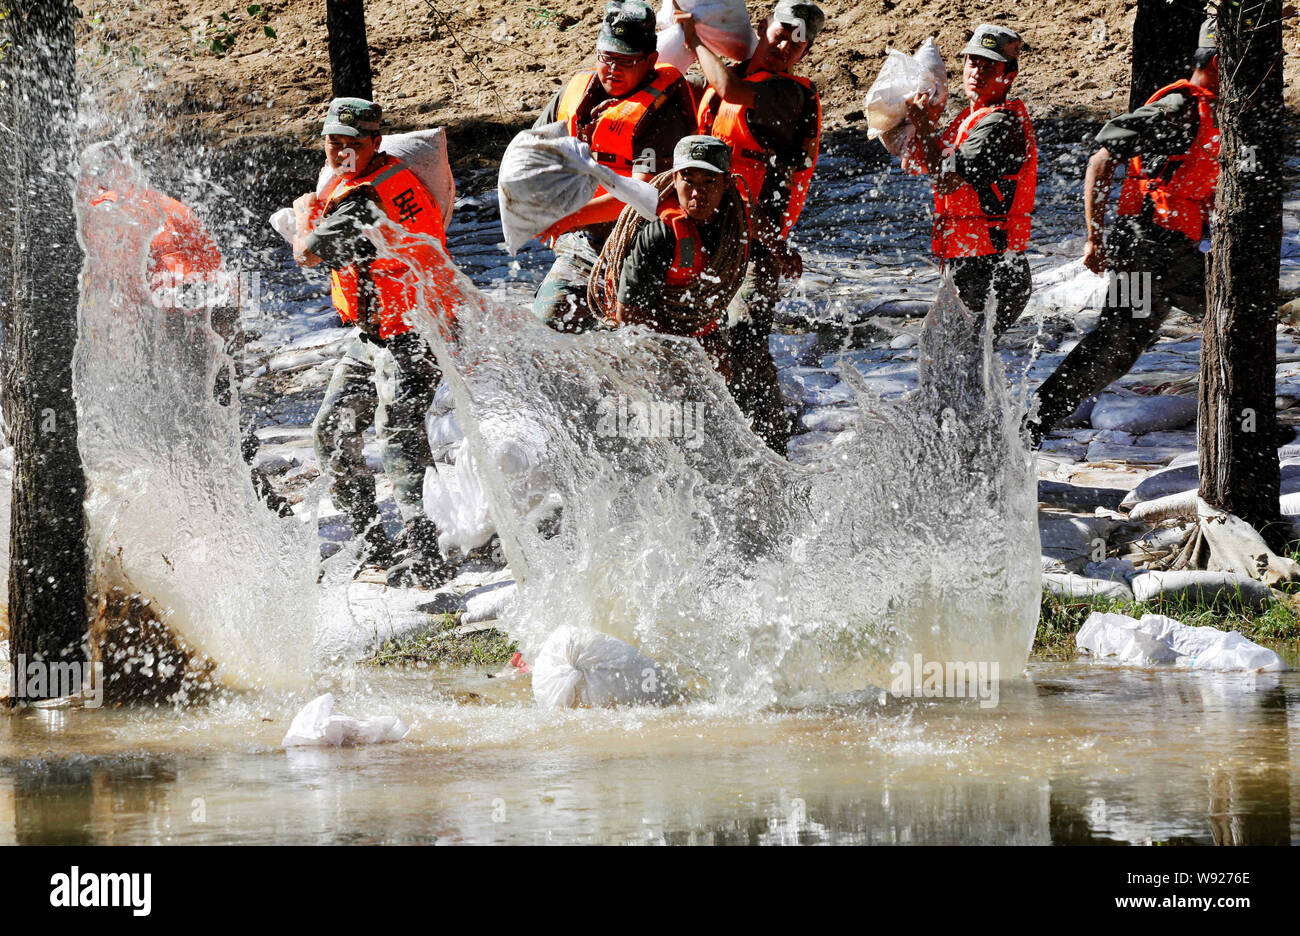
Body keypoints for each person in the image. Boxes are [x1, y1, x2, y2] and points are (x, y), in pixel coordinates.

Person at [291, 98, 459, 587]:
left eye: (354, 145)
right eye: (333, 143)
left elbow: (306, 254)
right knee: (332, 433)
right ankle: (371, 540)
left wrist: (306, 211)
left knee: (401, 438)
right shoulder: (380, 176)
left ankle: (425, 554)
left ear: (377, 144)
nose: (342, 154)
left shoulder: (367, 197)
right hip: (376, 334)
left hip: (415, 330)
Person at [1027, 19, 1219, 446]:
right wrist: (1093, 236)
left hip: (1162, 252)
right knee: (1231, 313)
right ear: (1220, 60)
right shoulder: (1178, 108)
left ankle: (1035, 421)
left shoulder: (1210, 110)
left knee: (1117, 345)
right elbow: (1101, 158)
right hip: (1149, 248)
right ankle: (1245, 426)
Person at [79, 141, 292, 516]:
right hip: (215, 311)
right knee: (221, 423)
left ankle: (239, 514)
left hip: (184, 317)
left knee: (188, 431)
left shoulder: (105, 210)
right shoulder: (160, 201)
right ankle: (261, 510)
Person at [683, 0, 824, 455]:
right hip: (710, 234)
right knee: (702, 337)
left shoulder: (788, 95)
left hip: (756, 244)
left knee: (745, 341)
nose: (787, 45)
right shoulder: (741, 73)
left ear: (805, 53)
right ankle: (722, 440)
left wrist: (692, 40)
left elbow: (725, 86)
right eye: (782, 32)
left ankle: (770, 444)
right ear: (764, 27)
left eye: (798, 41)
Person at [532, 0, 697, 333]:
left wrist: (566, 217)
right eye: (606, 58)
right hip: (585, 242)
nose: (612, 70)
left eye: (626, 61)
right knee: (546, 327)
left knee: (635, 343)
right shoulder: (578, 92)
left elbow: (640, 198)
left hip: (646, 246)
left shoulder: (661, 115)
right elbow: (531, 153)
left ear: (651, 61)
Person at [905, 24, 1037, 366]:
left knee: (953, 364)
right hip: (974, 264)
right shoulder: (970, 119)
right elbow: (921, 164)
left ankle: (988, 421)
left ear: (1008, 76)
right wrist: (923, 130)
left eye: (989, 67)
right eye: (972, 63)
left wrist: (922, 127)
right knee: (948, 362)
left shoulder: (998, 125)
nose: (977, 72)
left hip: (992, 269)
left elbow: (946, 180)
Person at [601, 135, 749, 375]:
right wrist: (693, 349)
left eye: (709, 181)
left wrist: (781, 252)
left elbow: (757, 238)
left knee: (738, 371)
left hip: (699, 324)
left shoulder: (735, 218)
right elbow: (628, 316)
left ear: (726, 182)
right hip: (647, 333)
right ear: (674, 179)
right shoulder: (661, 234)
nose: (697, 193)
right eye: (688, 181)